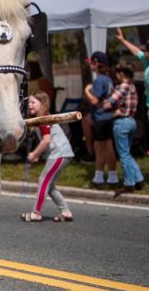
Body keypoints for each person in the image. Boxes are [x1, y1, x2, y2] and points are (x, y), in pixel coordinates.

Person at [21, 92, 75, 222]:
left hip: (59, 154)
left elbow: (46, 140)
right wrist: (39, 155)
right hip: (61, 153)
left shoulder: (44, 118)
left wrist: (34, 154)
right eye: (29, 102)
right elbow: (47, 141)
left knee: (44, 180)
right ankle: (65, 212)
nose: (30, 105)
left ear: (43, 104)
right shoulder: (43, 118)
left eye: (33, 102)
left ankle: (36, 213)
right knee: (49, 186)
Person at [103, 63, 145, 196]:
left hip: (121, 122)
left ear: (121, 73)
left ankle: (129, 183)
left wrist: (105, 103)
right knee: (127, 153)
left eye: (117, 73)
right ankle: (139, 179)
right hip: (131, 121)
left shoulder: (123, 86)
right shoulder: (132, 86)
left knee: (123, 155)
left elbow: (108, 103)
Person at [83, 51, 118, 188]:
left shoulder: (99, 80)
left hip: (101, 117)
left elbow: (94, 101)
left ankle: (111, 176)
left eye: (91, 62)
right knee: (100, 147)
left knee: (104, 147)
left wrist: (87, 90)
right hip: (106, 117)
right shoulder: (108, 79)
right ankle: (100, 176)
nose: (90, 65)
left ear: (97, 63)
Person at [115, 27, 149, 126]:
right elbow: (136, 51)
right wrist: (123, 40)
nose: (144, 52)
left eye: (146, 50)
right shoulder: (147, 62)